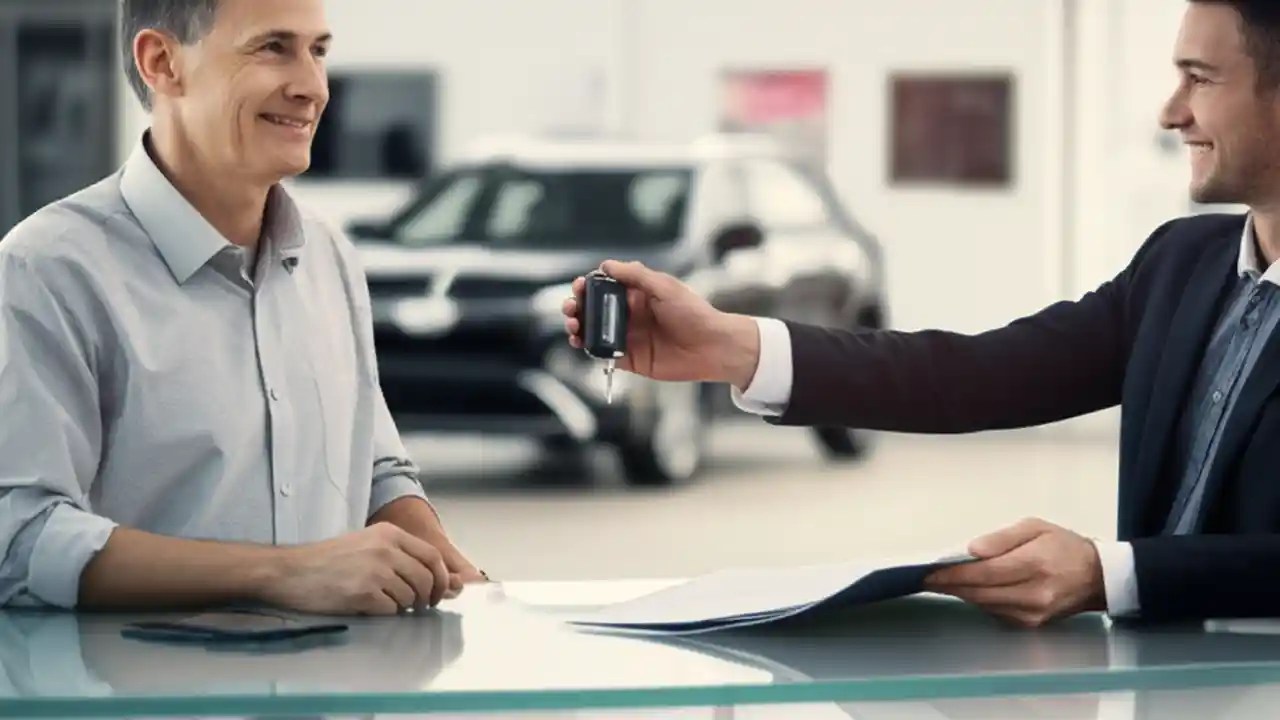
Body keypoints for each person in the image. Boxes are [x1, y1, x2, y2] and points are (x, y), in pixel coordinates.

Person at [565, 0, 1280, 627]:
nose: (1170, 111)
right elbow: (977, 373)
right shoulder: (1181, 263)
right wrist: (733, 346)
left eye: (1201, 78)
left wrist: (1114, 576)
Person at [0, 0, 485, 614]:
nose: (312, 87)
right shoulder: (47, 269)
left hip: (333, 698)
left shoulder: (330, 257)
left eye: (319, 51)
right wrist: (281, 575)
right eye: (273, 47)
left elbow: (375, 471)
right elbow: (19, 538)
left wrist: (468, 584)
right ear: (162, 62)